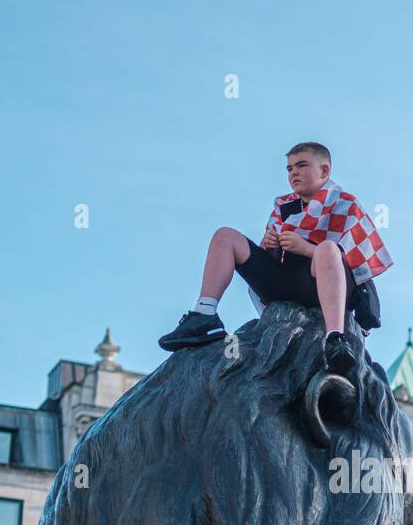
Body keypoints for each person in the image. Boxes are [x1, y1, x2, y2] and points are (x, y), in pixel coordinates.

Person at [158, 142, 393, 376]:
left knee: (328, 249)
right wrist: (271, 247)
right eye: (289, 168)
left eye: (301, 165)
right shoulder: (283, 207)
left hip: (325, 284)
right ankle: (204, 315)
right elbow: (273, 260)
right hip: (288, 282)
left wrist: (307, 249)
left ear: (324, 171)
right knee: (225, 236)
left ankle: (335, 338)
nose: (294, 173)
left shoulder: (345, 204)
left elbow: (353, 263)